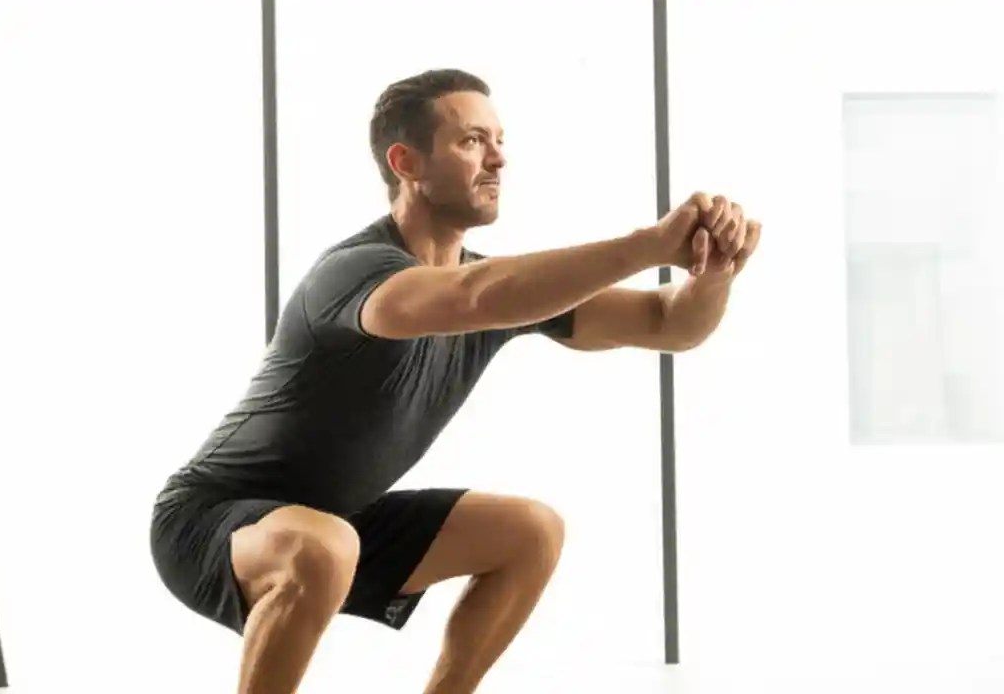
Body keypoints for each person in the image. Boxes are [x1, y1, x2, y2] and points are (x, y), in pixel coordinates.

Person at [150, 68, 761, 694]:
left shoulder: (502, 292)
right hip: (210, 523)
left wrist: (714, 272)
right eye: (472, 140)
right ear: (406, 161)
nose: (498, 157)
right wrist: (650, 245)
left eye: (499, 139)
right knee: (323, 546)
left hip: (337, 524)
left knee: (529, 531)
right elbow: (470, 298)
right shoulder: (356, 274)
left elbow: (669, 323)